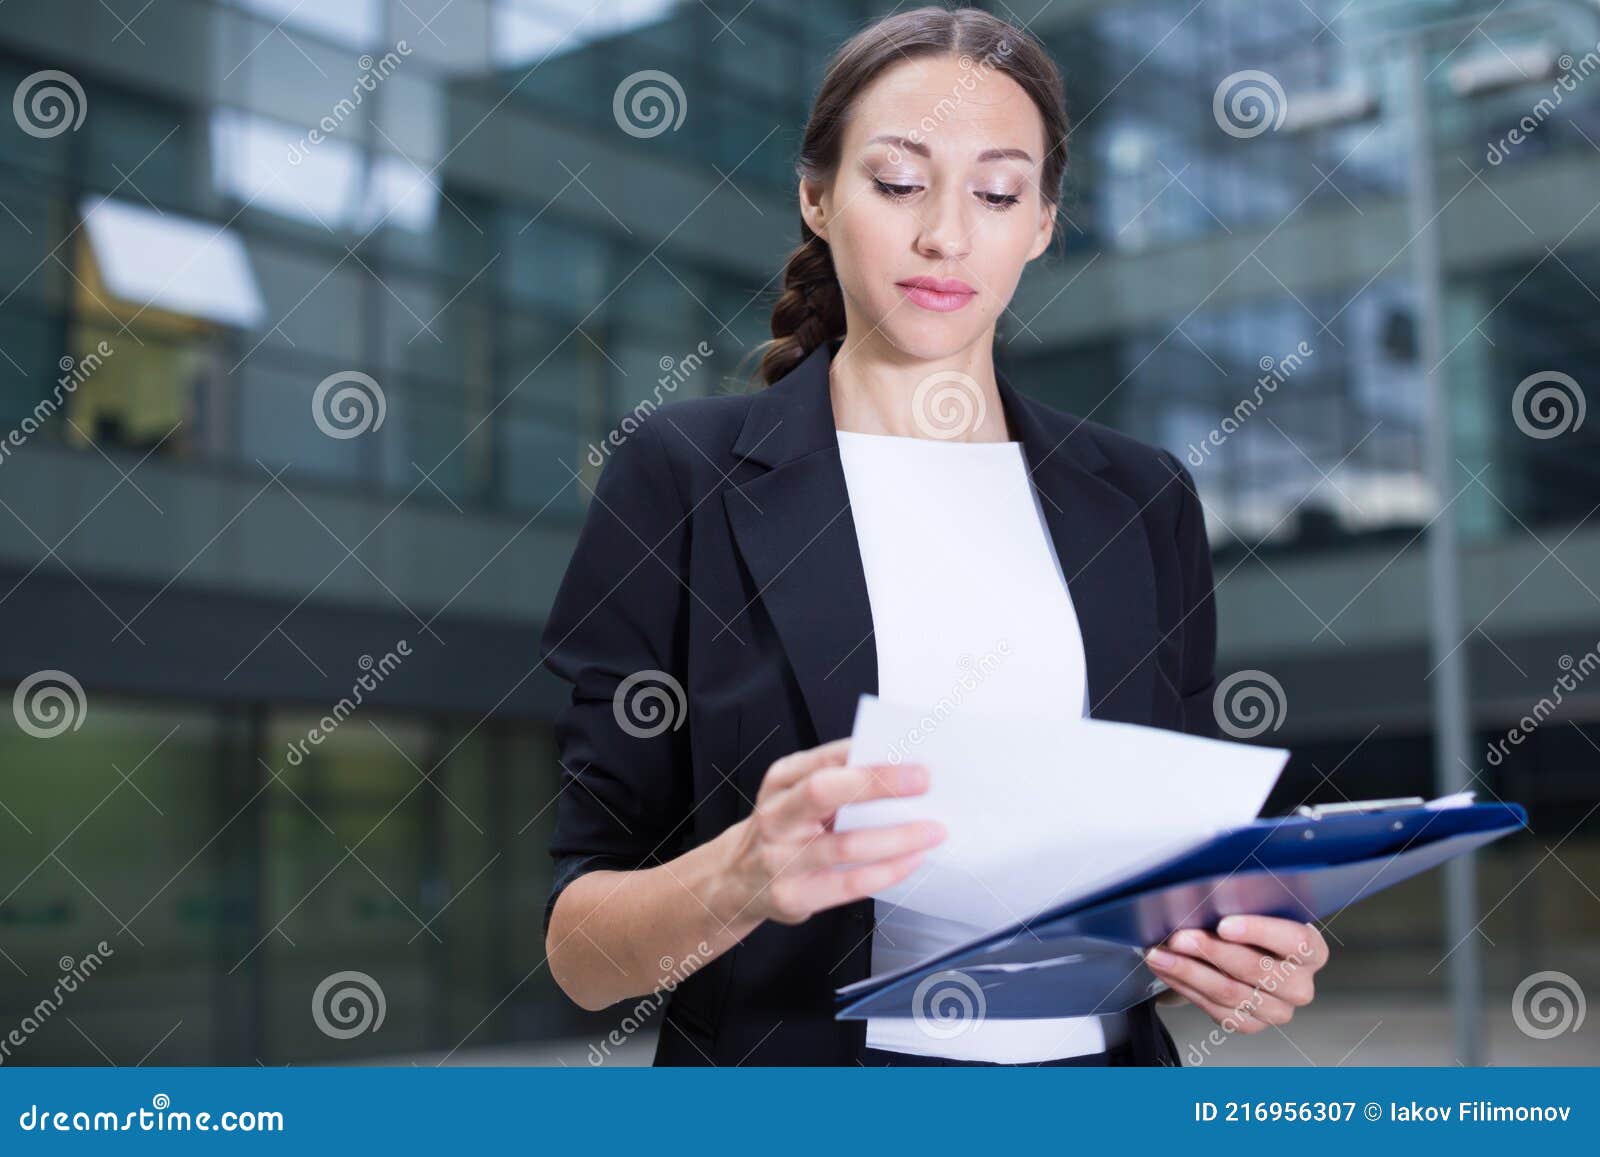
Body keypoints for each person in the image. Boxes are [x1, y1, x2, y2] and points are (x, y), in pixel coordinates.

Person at [540, 5, 1328, 1066]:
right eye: (899, 181)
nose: (945, 234)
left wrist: (1243, 951)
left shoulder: (1142, 501)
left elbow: (1181, 872)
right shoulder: (682, 476)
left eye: (997, 193)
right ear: (818, 197)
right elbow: (581, 951)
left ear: (1041, 223)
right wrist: (739, 876)